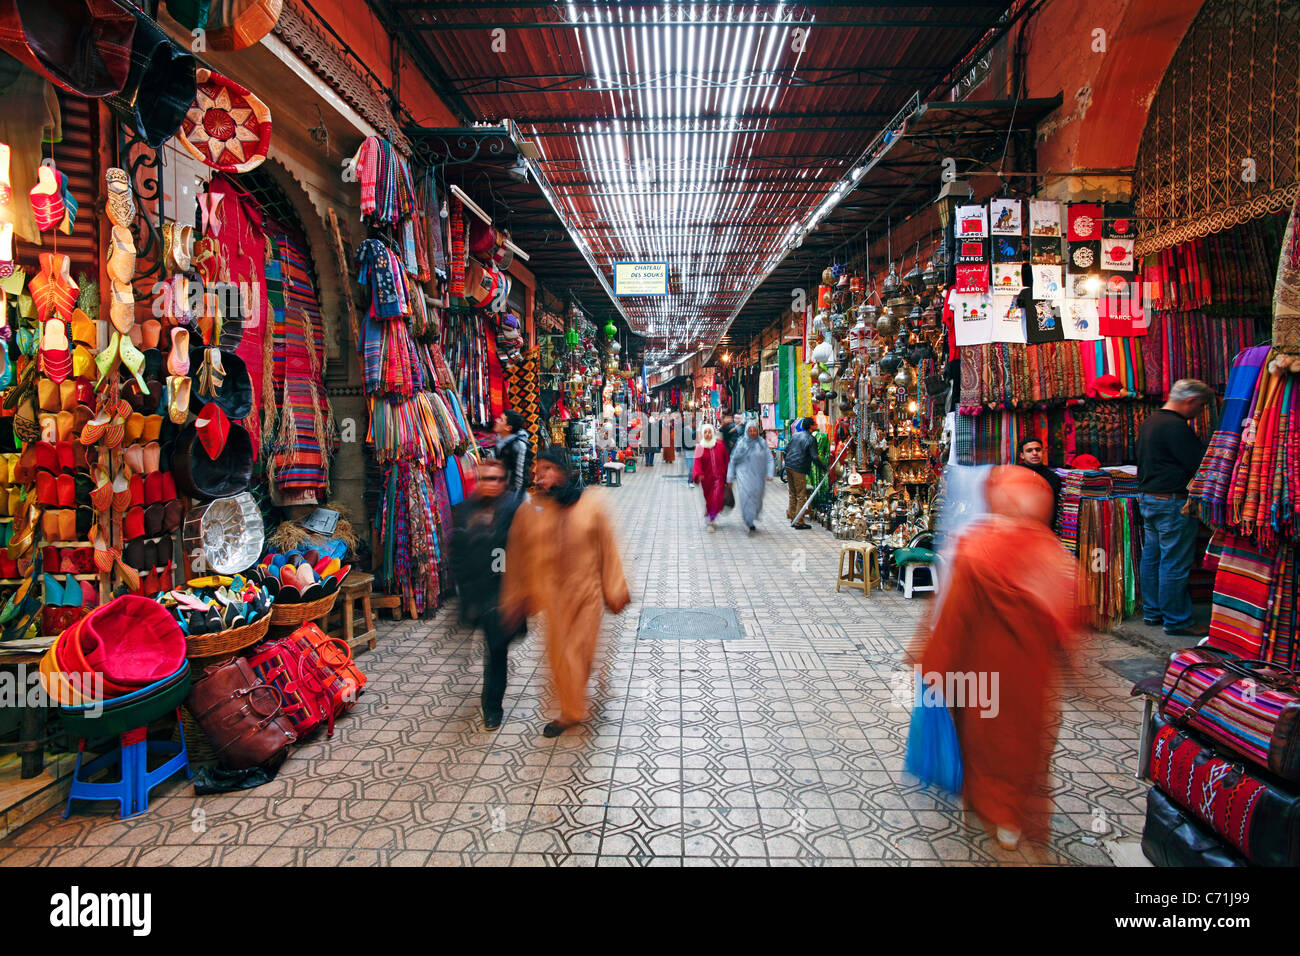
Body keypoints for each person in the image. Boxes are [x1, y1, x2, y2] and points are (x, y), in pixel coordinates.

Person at [908, 466, 1079, 851]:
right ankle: (1014, 818)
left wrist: (932, 665)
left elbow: (953, 617)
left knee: (984, 743)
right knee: (1026, 747)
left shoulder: (976, 546)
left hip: (980, 676)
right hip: (1030, 680)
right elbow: (1068, 621)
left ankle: (990, 808)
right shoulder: (1052, 553)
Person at [501, 447, 630, 737]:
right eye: (538, 470)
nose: (541, 476)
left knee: (579, 651)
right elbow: (517, 556)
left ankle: (574, 704)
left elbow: (607, 548)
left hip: (587, 593)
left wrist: (615, 587)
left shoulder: (592, 503)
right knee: (559, 657)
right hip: (552, 597)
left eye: (547, 468)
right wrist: (517, 595)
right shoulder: (531, 510)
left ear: (563, 470)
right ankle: (570, 711)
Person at [450, 458, 525, 731]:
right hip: (475, 591)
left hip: (503, 592)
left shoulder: (514, 509)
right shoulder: (465, 510)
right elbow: (457, 550)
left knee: (495, 651)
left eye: (495, 479)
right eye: (484, 479)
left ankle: (492, 706)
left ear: (504, 483)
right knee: (485, 645)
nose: (489, 485)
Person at [1136, 378, 1214, 636]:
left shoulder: (1151, 422)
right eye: (1201, 406)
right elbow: (1198, 463)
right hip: (1171, 502)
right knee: (1174, 562)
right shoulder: (1176, 427)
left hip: (1150, 498)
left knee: (1153, 558)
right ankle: (1177, 620)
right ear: (1190, 401)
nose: (1199, 411)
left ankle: (1153, 612)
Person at [727, 418, 774, 533]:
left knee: (757, 498)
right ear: (747, 431)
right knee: (746, 497)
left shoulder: (762, 443)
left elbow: (769, 459)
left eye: (754, 431)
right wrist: (729, 477)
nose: (752, 433)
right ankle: (749, 521)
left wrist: (769, 473)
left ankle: (754, 515)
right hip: (744, 475)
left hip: (758, 476)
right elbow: (733, 460)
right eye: (750, 431)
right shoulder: (741, 443)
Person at [690, 422, 730, 531]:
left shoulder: (720, 446)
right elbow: (697, 462)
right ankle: (710, 513)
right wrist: (698, 474)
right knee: (710, 499)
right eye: (705, 432)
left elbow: (726, 460)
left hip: (719, 478)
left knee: (716, 498)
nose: (708, 434)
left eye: (709, 432)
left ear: (713, 433)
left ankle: (711, 520)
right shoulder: (700, 447)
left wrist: (729, 475)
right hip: (707, 480)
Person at [784, 417, 823, 529]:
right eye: (815, 424)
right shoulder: (811, 439)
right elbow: (814, 456)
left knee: (793, 494)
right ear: (811, 426)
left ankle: (793, 517)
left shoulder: (796, 435)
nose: (816, 425)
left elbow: (786, 450)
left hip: (789, 466)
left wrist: (787, 463)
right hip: (798, 468)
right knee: (801, 495)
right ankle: (798, 521)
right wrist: (824, 468)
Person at [1016, 436, 1061, 524]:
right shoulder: (1015, 474)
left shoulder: (1052, 477)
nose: (1035, 453)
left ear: (1043, 452)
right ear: (1022, 455)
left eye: (1038, 450)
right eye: (1029, 451)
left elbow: (1053, 508)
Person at [493, 409, 531, 500]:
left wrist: (515, 501)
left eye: (501, 420)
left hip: (514, 497)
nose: (496, 420)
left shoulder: (518, 445)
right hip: (504, 494)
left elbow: (519, 477)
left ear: (508, 428)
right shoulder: (501, 443)